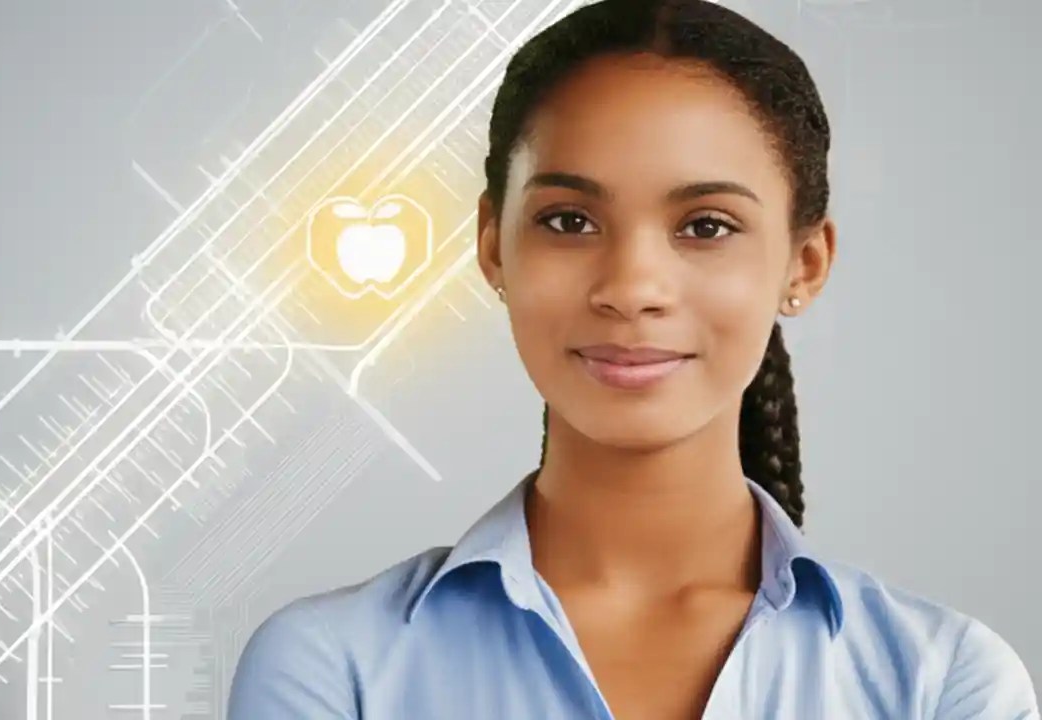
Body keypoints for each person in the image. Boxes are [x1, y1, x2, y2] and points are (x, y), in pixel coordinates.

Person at [226, 0, 1040, 717]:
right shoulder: (332, 670)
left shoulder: (940, 685)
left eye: (707, 226)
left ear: (805, 264)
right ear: (493, 247)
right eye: (569, 221)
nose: (631, 288)